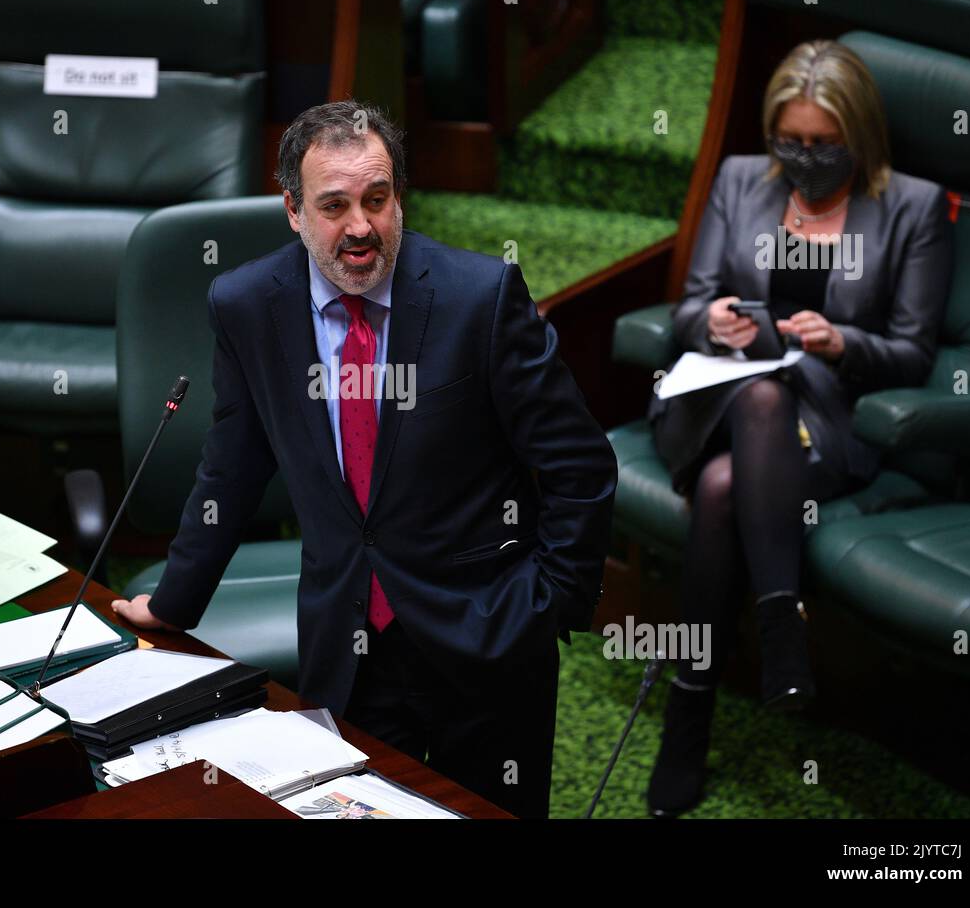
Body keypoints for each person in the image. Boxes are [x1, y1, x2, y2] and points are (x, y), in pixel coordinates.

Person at [111, 99, 617, 819]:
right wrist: (174, 603)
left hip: (488, 638)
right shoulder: (249, 305)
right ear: (292, 209)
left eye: (377, 200)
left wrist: (548, 603)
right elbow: (233, 466)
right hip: (346, 641)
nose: (360, 227)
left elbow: (581, 465)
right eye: (335, 205)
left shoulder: (480, 297)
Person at [644, 40, 954, 817]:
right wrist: (712, 321)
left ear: (860, 135)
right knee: (754, 399)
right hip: (714, 400)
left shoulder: (913, 206)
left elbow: (915, 353)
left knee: (724, 482)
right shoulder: (743, 180)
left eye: (822, 145)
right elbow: (689, 306)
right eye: (792, 141)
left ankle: (690, 708)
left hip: (823, 419)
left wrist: (842, 341)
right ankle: (781, 625)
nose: (804, 157)